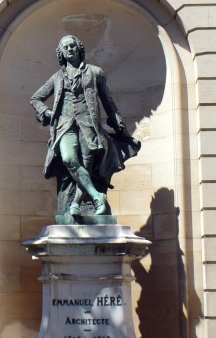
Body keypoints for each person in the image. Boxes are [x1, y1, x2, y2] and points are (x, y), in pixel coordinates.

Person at [30, 35, 140, 221]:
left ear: (79, 48)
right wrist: (47, 112)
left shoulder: (96, 72)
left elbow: (108, 101)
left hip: (89, 126)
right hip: (65, 126)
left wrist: (118, 123)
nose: (70, 49)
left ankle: (77, 203)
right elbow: (35, 98)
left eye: (73, 45)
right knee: (69, 159)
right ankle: (98, 197)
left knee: (87, 166)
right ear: (61, 53)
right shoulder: (57, 77)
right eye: (66, 47)